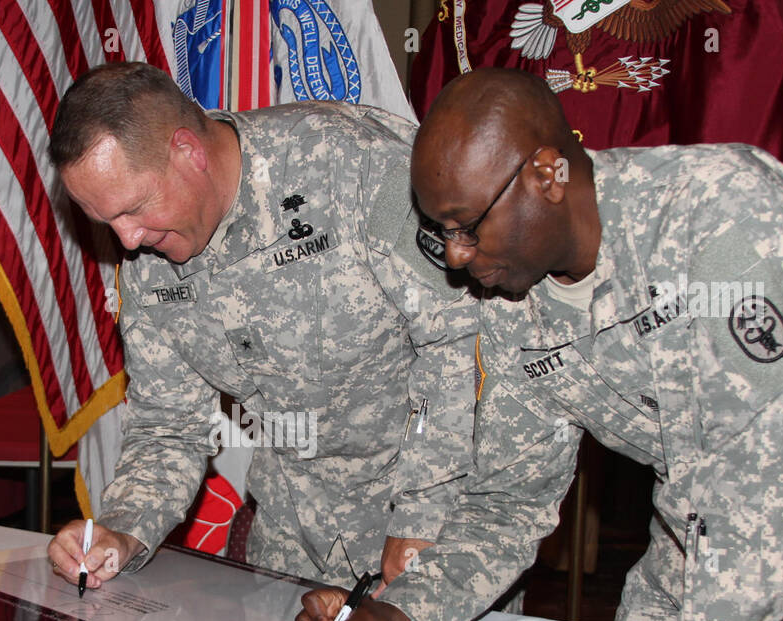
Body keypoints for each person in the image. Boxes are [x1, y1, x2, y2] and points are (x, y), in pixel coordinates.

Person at [296, 68, 783, 621]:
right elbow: (510, 500)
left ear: (548, 176)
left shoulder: (725, 215)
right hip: (687, 598)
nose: (453, 254)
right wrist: (404, 610)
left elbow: (765, 478)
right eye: (441, 229)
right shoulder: (513, 301)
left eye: (467, 225)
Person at [45, 63, 477, 590]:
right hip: (291, 544)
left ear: (189, 152)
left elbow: (462, 347)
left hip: (438, 528)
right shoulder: (149, 258)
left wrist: (422, 516)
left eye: (134, 208)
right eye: (104, 221)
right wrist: (120, 531)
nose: (128, 240)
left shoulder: (350, 162)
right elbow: (168, 424)